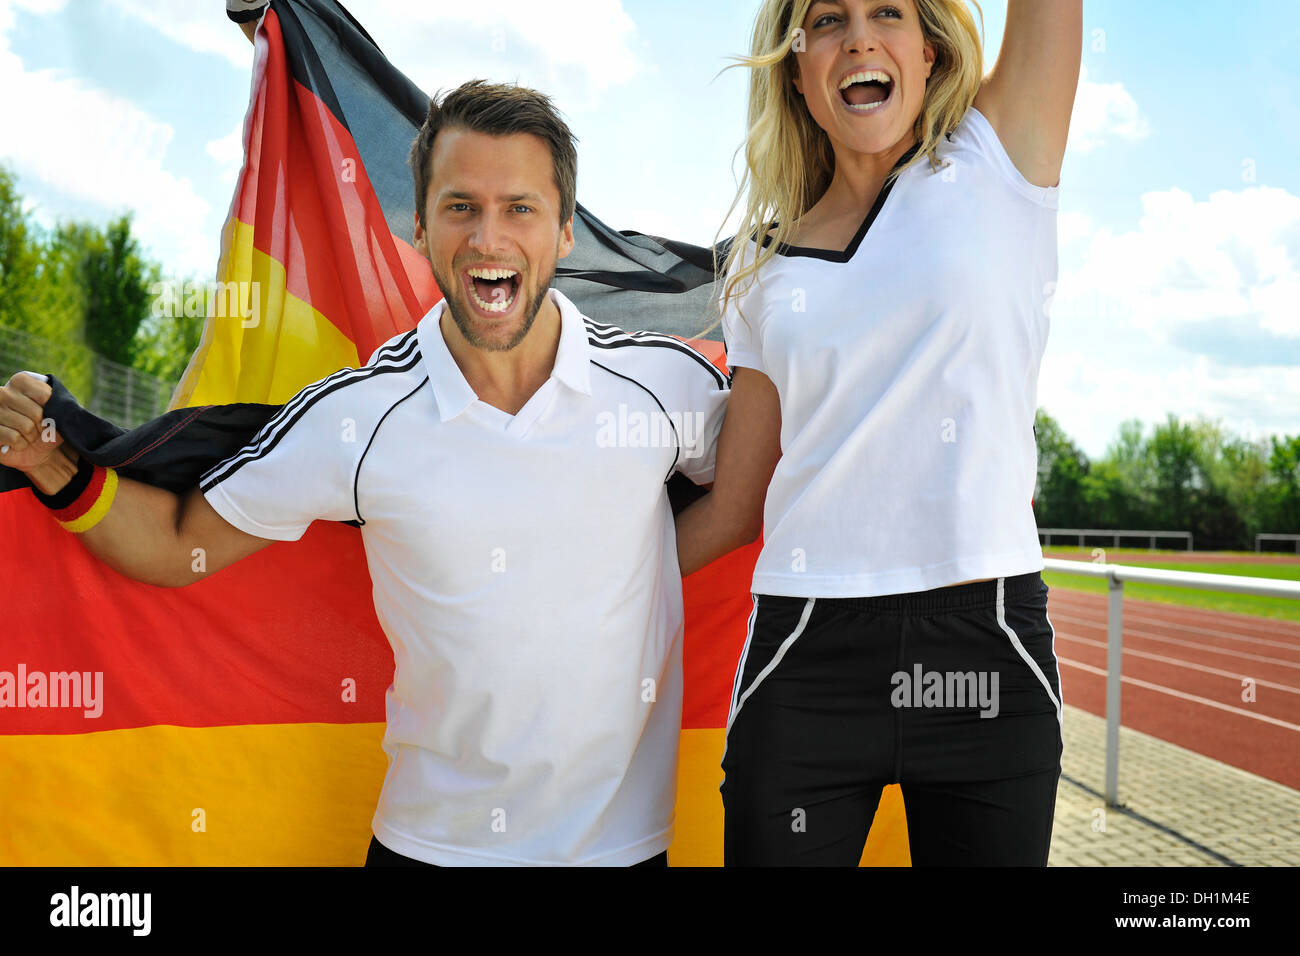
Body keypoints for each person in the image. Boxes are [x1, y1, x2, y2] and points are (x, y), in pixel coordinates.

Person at [0, 79, 729, 866]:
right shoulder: (358, 415)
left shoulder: (667, 388)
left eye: (519, 207)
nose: (489, 237)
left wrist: (639, 561)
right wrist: (57, 469)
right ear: (418, 226)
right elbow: (180, 545)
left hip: (622, 852)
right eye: (460, 207)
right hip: (426, 851)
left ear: (563, 235)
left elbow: (778, 488)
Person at [674, 0, 1080, 865]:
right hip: (805, 651)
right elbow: (734, 506)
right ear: (797, 70)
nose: (859, 36)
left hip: (985, 645)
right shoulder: (760, 266)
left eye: (887, 12)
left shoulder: (998, 158)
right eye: (827, 20)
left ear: (928, 53)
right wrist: (565, 574)